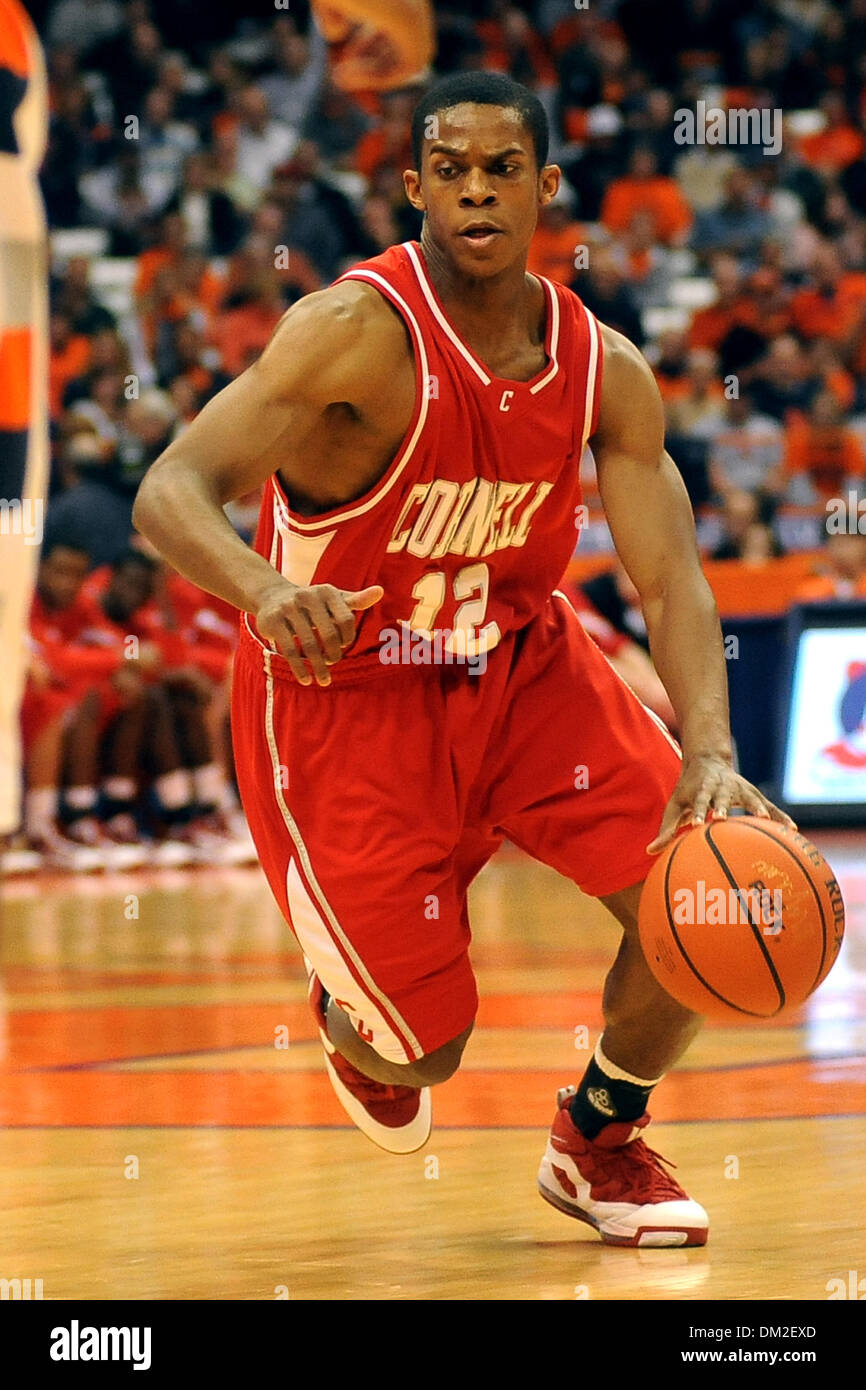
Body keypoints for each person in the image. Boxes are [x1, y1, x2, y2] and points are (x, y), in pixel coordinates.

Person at [134, 72, 795, 1249]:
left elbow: (670, 578)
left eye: (501, 171)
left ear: (544, 188)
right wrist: (266, 586)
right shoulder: (351, 333)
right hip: (352, 695)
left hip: (521, 667)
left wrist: (709, 745)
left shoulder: (604, 368)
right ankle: (359, 1001)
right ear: (413, 186)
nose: (475, 192)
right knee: (423, 1053)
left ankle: (596, 1137)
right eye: (451, 171)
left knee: (699, 897)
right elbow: (169, 490)